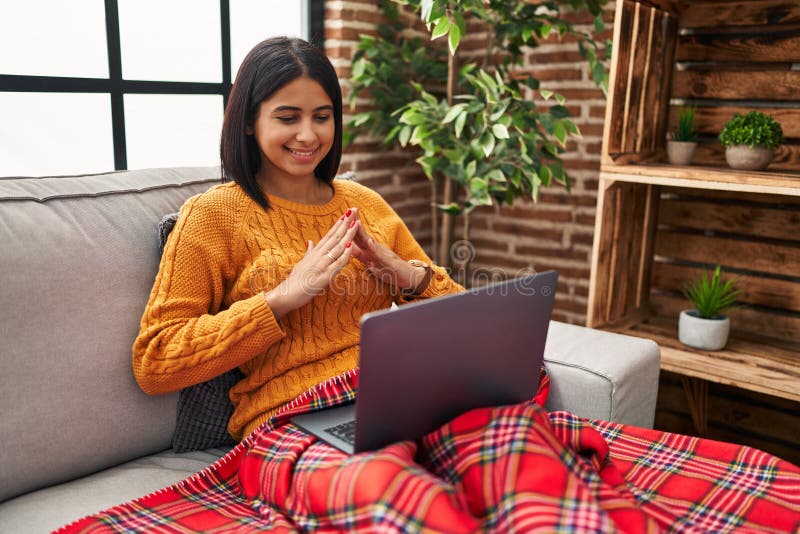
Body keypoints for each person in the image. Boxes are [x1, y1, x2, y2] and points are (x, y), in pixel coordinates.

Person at [132, 36, 462, 442]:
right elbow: (156, 360)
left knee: (517, 444)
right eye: (288, 118)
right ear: (250, 122)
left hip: (394, 394)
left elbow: (465, 325)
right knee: (389, 483)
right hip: (291, 422)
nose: (308, 135)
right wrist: (282, 298)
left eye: (322, 117)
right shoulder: (213, 215)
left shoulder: (365, 204)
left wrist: (406, 276)